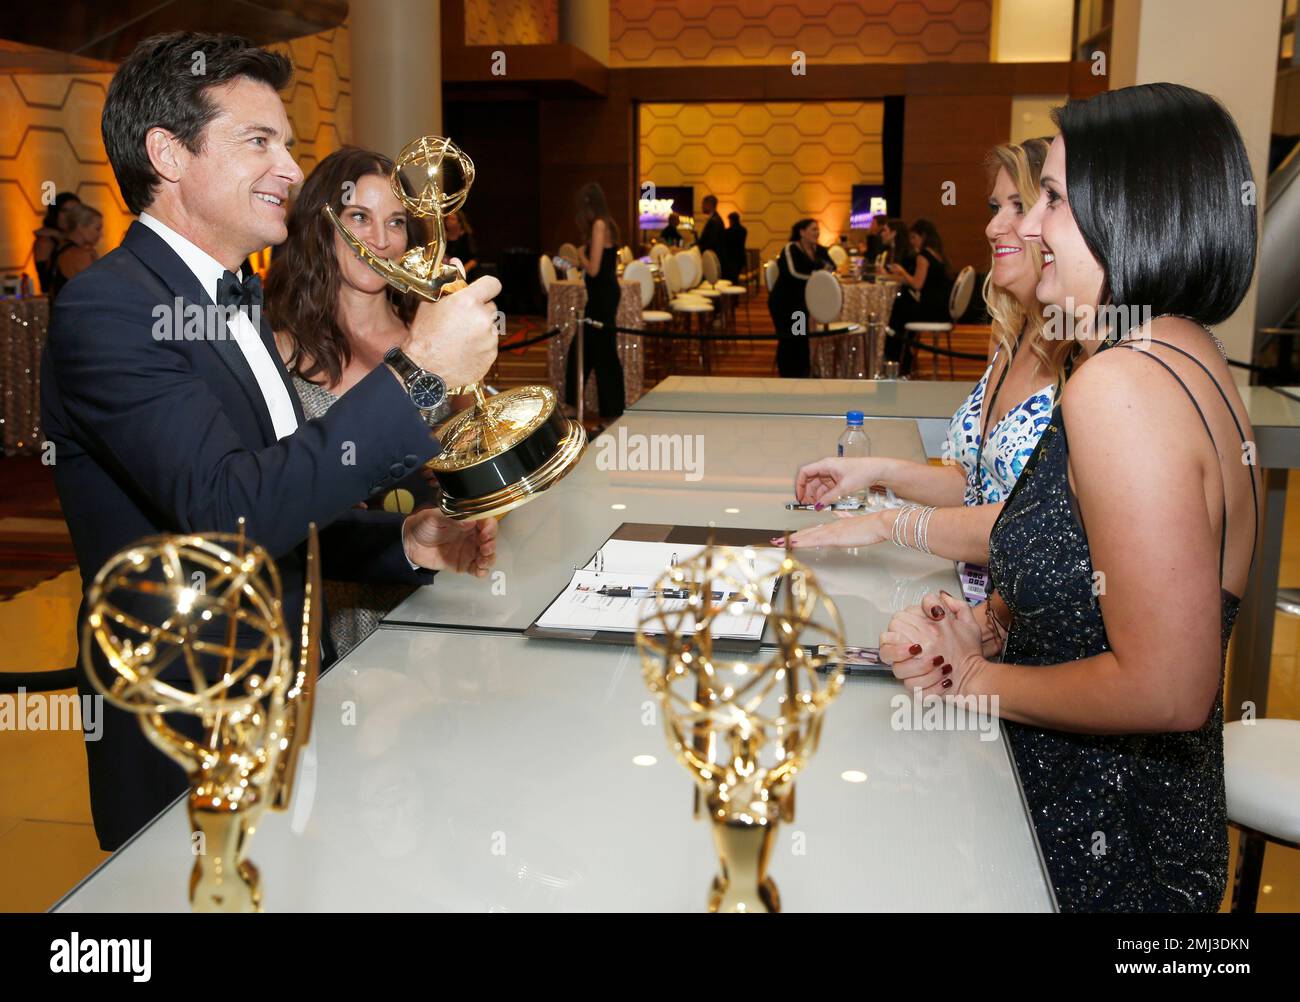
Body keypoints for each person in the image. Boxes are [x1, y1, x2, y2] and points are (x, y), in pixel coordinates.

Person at [42, 32, 501, 851]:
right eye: (260, 141)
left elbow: (281, 489)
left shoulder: (235, 299)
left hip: (293, 705)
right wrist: (422, 371)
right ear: (168, 155)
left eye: (286, 143)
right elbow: (229, 512)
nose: (291, 170)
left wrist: (406, 540)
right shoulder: (107, 309)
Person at [881, 84, 1259, 912]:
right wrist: (986, 625)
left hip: (1099, 850)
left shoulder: (1120, 387)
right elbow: (1113, 594)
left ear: (1130, 207)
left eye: (1051, 198)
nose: (1029, 225)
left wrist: (972, 678)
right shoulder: (1183, 352)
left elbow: (1166, 688)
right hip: (1153, 825)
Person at [781, 140, 1066, 571]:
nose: (993, 227)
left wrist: (889, 523)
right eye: (995, 207)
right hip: (976, 596)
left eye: (1019, 205)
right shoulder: (1009, 333)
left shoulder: (1086, 353)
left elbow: (1042, 529)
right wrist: (876, 471)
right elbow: (974, 489)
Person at [266, 146, 475, 658]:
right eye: (359, 216)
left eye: (397, 222)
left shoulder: (437, 341)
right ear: (321, 223)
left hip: (443, 595)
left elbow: (476, 458)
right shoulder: (273, 353)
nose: (380, 239)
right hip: (329, 609)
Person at [564, 181, 624, 421]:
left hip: (602, 297)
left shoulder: (600, 225)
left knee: (602, 354)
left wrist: (580, 255)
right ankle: (573, 404)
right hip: (602, 296)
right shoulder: (605, 223)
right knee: (584, 351)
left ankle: (611, 412)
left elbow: (596, 269)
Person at [768, 218, 834, 378]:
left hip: (802, 302)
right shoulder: (791, 249)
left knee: (801, 339)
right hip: (787, 303)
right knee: (792, 339)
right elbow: (794, 274)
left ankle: (802, 374)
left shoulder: (817, 250)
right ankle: (789, 376)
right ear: (802, 232)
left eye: (818, 230)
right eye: (813, 229)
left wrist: (819, 269)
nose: (817, 233)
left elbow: (832, 267)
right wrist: (818, 272)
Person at [887, 218, 952, 374]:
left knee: (896, 311)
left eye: (914, 238)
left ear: (923, 237)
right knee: (902, 306)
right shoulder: (937, 254)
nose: (912, 242)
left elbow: (917, 284)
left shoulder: (923, 256)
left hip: (931, 311)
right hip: (942, 310)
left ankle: (899, 358)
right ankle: (906, 354)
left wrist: (902, 272)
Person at [47, 202, 104, 300]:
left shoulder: (59, 248)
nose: (101, 235)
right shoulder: (81, 255)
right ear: (81, 226)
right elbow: (98, 291)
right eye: (97, 229)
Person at [32, 192, 80, 293]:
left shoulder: (80, 239)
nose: (69, 216)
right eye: (64, 210)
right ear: (55, 213)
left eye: (74, 211)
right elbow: (45, 281)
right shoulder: (45, 242)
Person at [444, 209, 479, 281]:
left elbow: (474, 259)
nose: (448, 221)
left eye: (452, 219)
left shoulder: (466, 237)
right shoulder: (443, 238)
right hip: (448, 276)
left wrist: (462, 272)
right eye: (447, 219)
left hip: (466, 275)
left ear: (460, 223)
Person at [696, 194, 724, 260]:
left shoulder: (715, 221)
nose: (701, 207)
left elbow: (710, 243)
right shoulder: (715, 219)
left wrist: (695, 249)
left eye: (703, 204)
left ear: (709, 205)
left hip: (713, 259)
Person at [722, 211, 747, 284]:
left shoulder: (729, 231)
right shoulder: (743, 230)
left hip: (732, 259)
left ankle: (731, 292)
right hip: (740, 258)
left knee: (730, 277)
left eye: (730, 220)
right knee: (734, 277)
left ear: (732, 220)